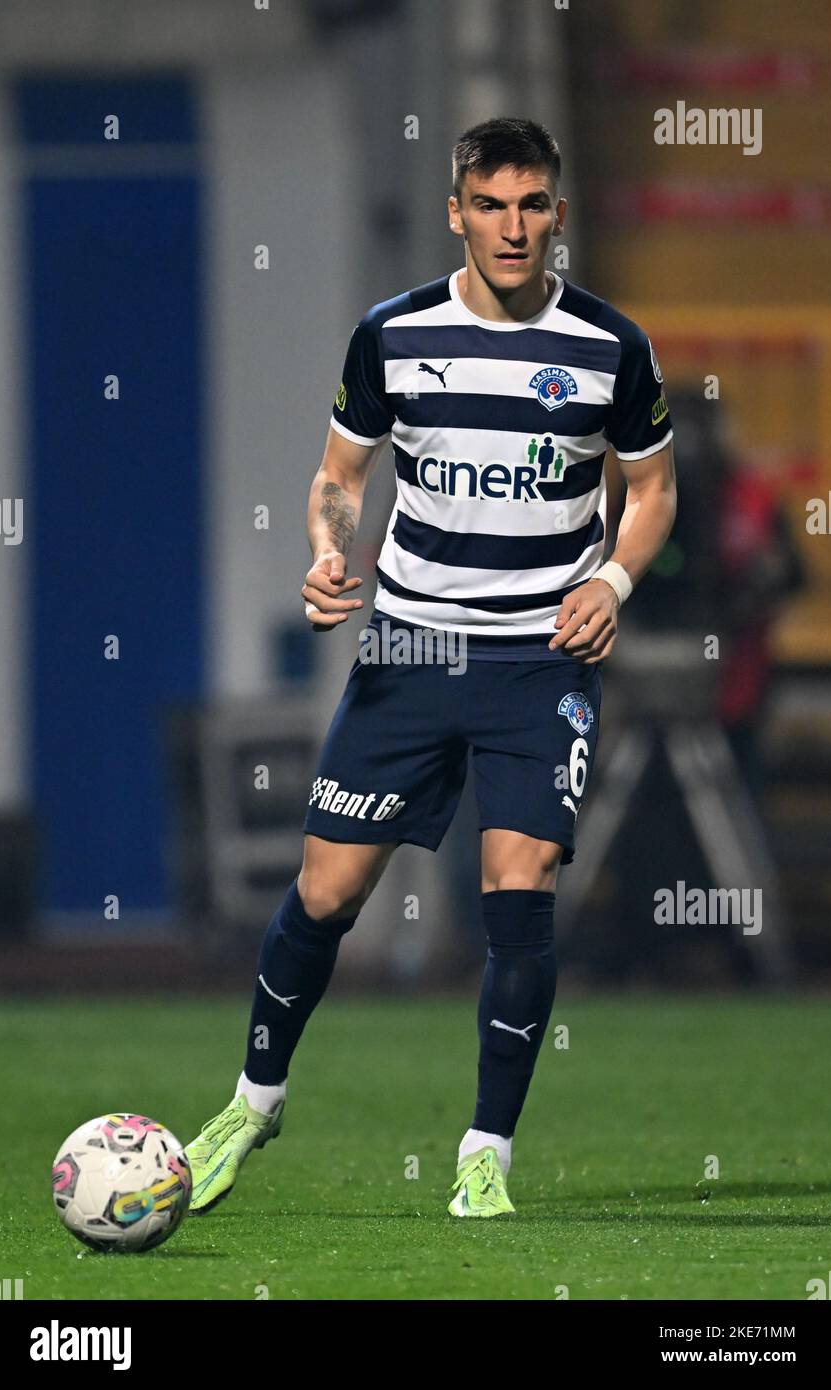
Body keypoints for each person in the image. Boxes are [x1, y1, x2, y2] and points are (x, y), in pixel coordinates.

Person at [185, 117, 677, 1217]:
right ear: (455, 210)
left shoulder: (610, 346)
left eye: (533, 204)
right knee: (326, 889)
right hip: (408, 644)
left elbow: (649, 492)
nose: (513, 227)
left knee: (520, 884)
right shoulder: (392, 333)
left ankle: (484, 1155)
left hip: (534, 660)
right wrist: (324, 548)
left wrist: (611, 582)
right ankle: (253, 1101)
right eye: (491, 204)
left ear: (557, 212)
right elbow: (338, 474)